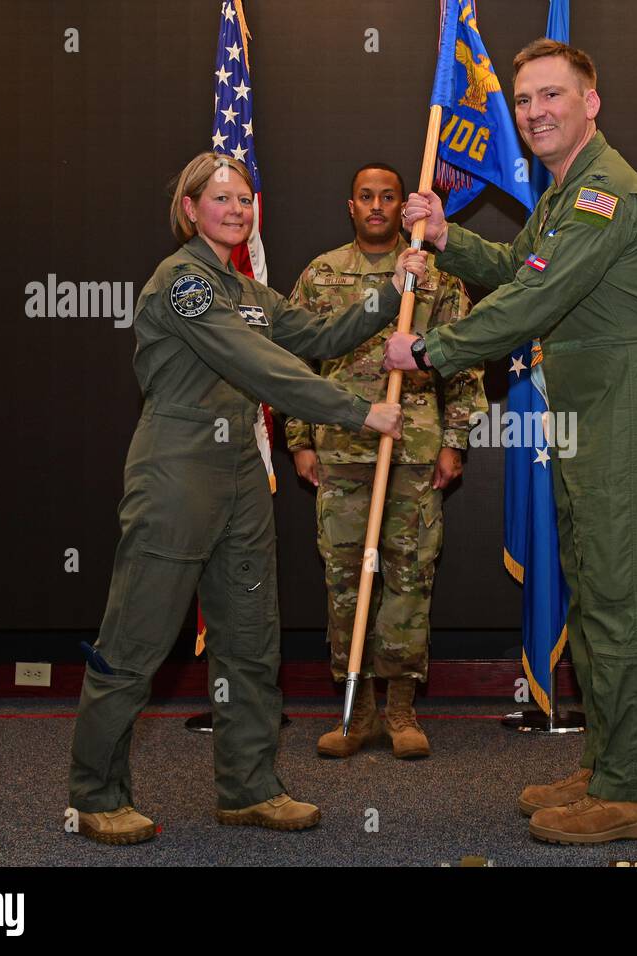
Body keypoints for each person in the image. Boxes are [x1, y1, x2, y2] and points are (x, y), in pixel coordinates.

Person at [66, 151, 426, 844]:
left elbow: (314, 336)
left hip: (239, 477)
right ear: (191, 208)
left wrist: (388, 292)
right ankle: (95, 793)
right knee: (136, 642)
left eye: (244, 200)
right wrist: (358, 412)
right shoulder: (186, 285)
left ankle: (250, 787)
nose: (235, 210)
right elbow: (259, 364)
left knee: (251, 642)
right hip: (176, 474)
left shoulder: (246, 291)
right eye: (221, 199)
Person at [389, 40, 637, 845]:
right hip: (593, 418)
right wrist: (449, 239)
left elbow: (537, 299)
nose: (534, 113)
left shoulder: (607, 193)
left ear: (591, 102)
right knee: (597, 598)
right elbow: (526, 269)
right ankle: (607, 763)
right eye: (524, 101)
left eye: (552, 96)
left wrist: (429, 350)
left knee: (626, 602)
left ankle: (633, 791)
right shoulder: (564, 194)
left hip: (630, 418)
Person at [284, 162, 485, 759]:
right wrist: (299, 439)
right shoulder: (321, 274)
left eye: (388, 197)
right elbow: (292, 361)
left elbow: (466, 362)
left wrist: (454, 440)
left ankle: (400, 711)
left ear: (404, 206)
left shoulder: (435, 274)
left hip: (413, 450)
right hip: (342, 451)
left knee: (408, 577)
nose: (377, 205)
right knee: (346, 581)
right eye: (365, 197)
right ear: (350, 206)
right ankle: (357, 712)